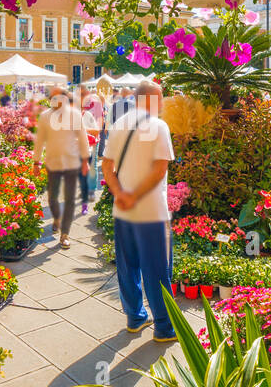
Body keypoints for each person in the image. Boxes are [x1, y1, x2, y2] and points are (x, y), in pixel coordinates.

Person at [102, 80, 177, 342]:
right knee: (157, 270)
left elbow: (106, 167)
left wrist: (121, 194)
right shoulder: (159, 126)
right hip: (151, 212)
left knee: (128, 265)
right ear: (152, 100)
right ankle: (165, 327)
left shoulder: (119, 124)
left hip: (123, 211)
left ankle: (135, 317)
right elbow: (159, 170)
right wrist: (134, 196)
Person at [32, 87, 90, 249]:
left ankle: (65, 234)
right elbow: (39, 140)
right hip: (53, 162)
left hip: (72, 162)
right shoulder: (45, 117)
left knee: (70, 198)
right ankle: (57, 218)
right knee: (52, 196)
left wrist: (85, 160)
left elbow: (83, 138)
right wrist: (36, 162)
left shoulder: (75, 115)